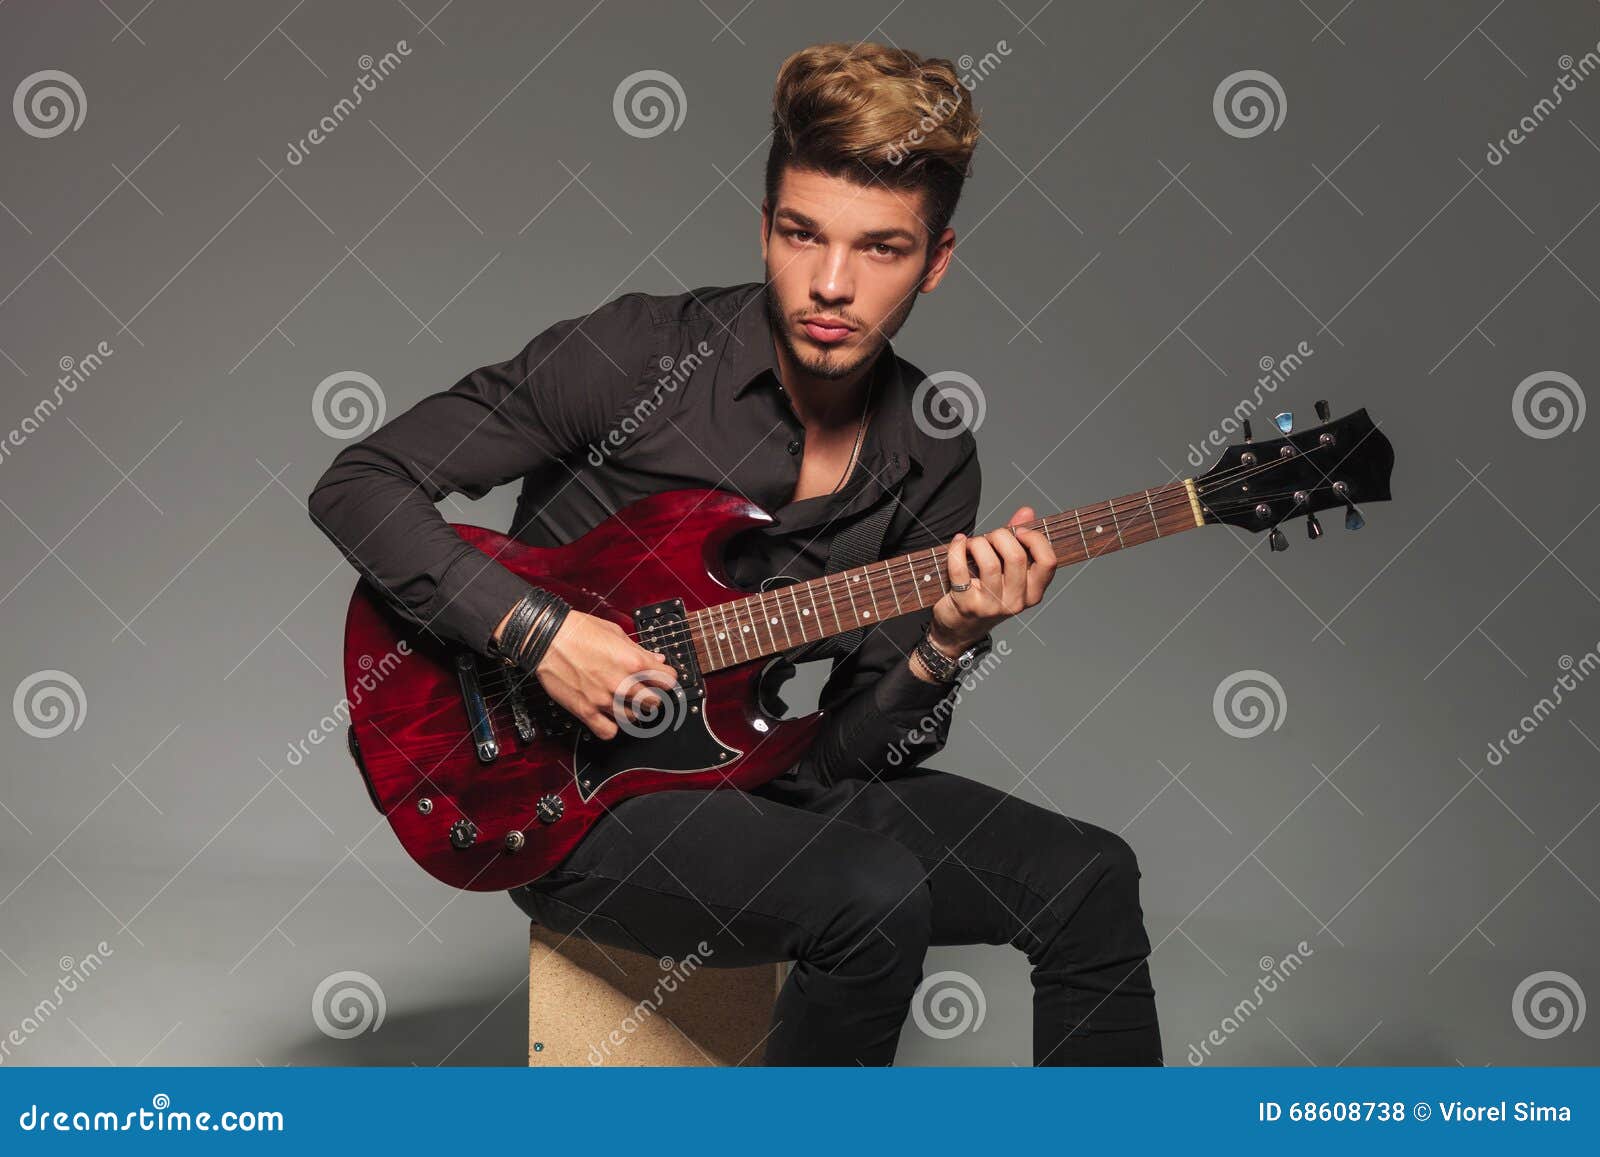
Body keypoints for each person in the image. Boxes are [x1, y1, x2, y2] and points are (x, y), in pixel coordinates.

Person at [308, 41, 1160, 1066]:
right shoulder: (637, 358)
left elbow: (851, 760)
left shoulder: (930, 453)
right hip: (562, 786)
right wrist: (539, 632)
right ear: (764, 228)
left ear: (935, 261)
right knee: (870, 898)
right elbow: (360, 484)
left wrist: (944, 643)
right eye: (802, 234)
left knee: (1090, 877)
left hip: (751, 770)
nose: (831, 283)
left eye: (881, 249)